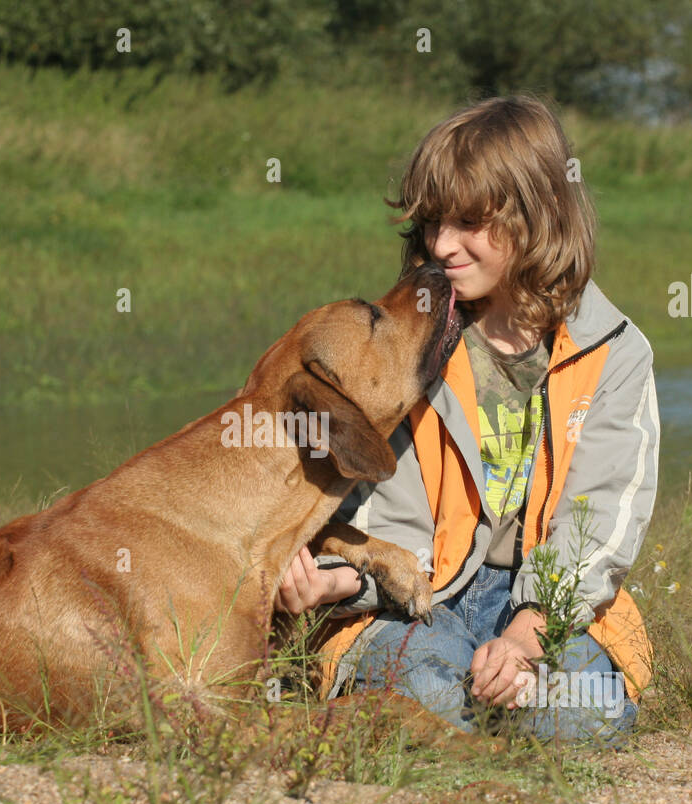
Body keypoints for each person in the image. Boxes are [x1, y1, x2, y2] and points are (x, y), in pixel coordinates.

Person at [274, 94, 660, 748]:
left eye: (468, 223)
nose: (442, 245)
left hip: (548, 604)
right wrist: (334, 582)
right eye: (432, 223)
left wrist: (525, 636)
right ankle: (452, 707)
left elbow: (598, 523)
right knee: (422, 698)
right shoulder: (404, 349)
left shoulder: (616, 352)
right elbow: (386, 523)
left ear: (537, 214)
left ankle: (493, 708)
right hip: (419, 601)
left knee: (575, 713)